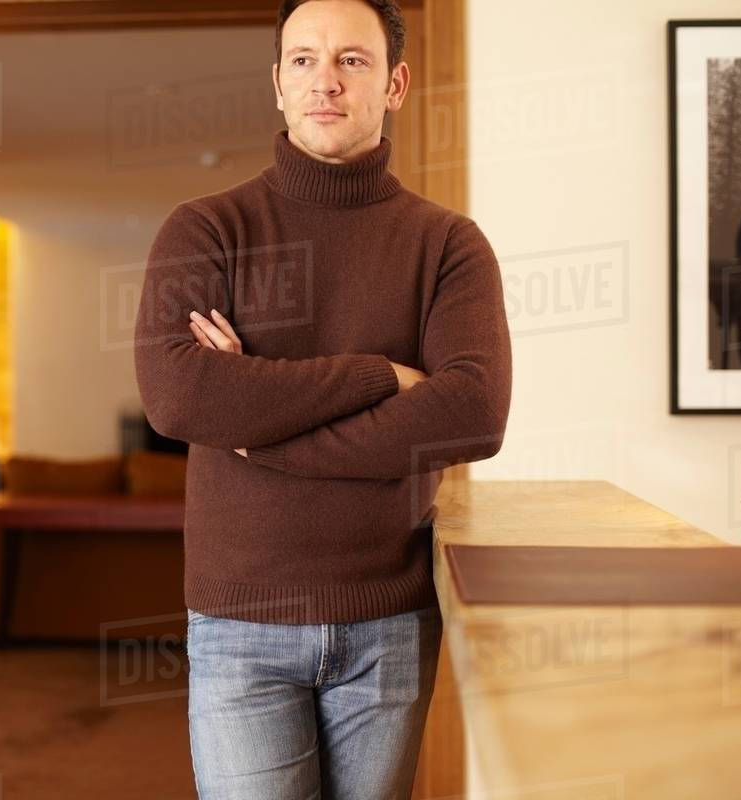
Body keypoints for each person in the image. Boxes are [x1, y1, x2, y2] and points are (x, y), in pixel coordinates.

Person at [132, 0, 513, 796]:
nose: (325, 81)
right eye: (303, 60)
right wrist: (379, 376)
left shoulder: (448, 245)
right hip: (241, 623)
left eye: (352, 60)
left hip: (391, 621)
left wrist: (259, 426)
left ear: (396, 83)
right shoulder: (204, 229)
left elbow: (473, 412)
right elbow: (178, 398)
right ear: (277, 83)